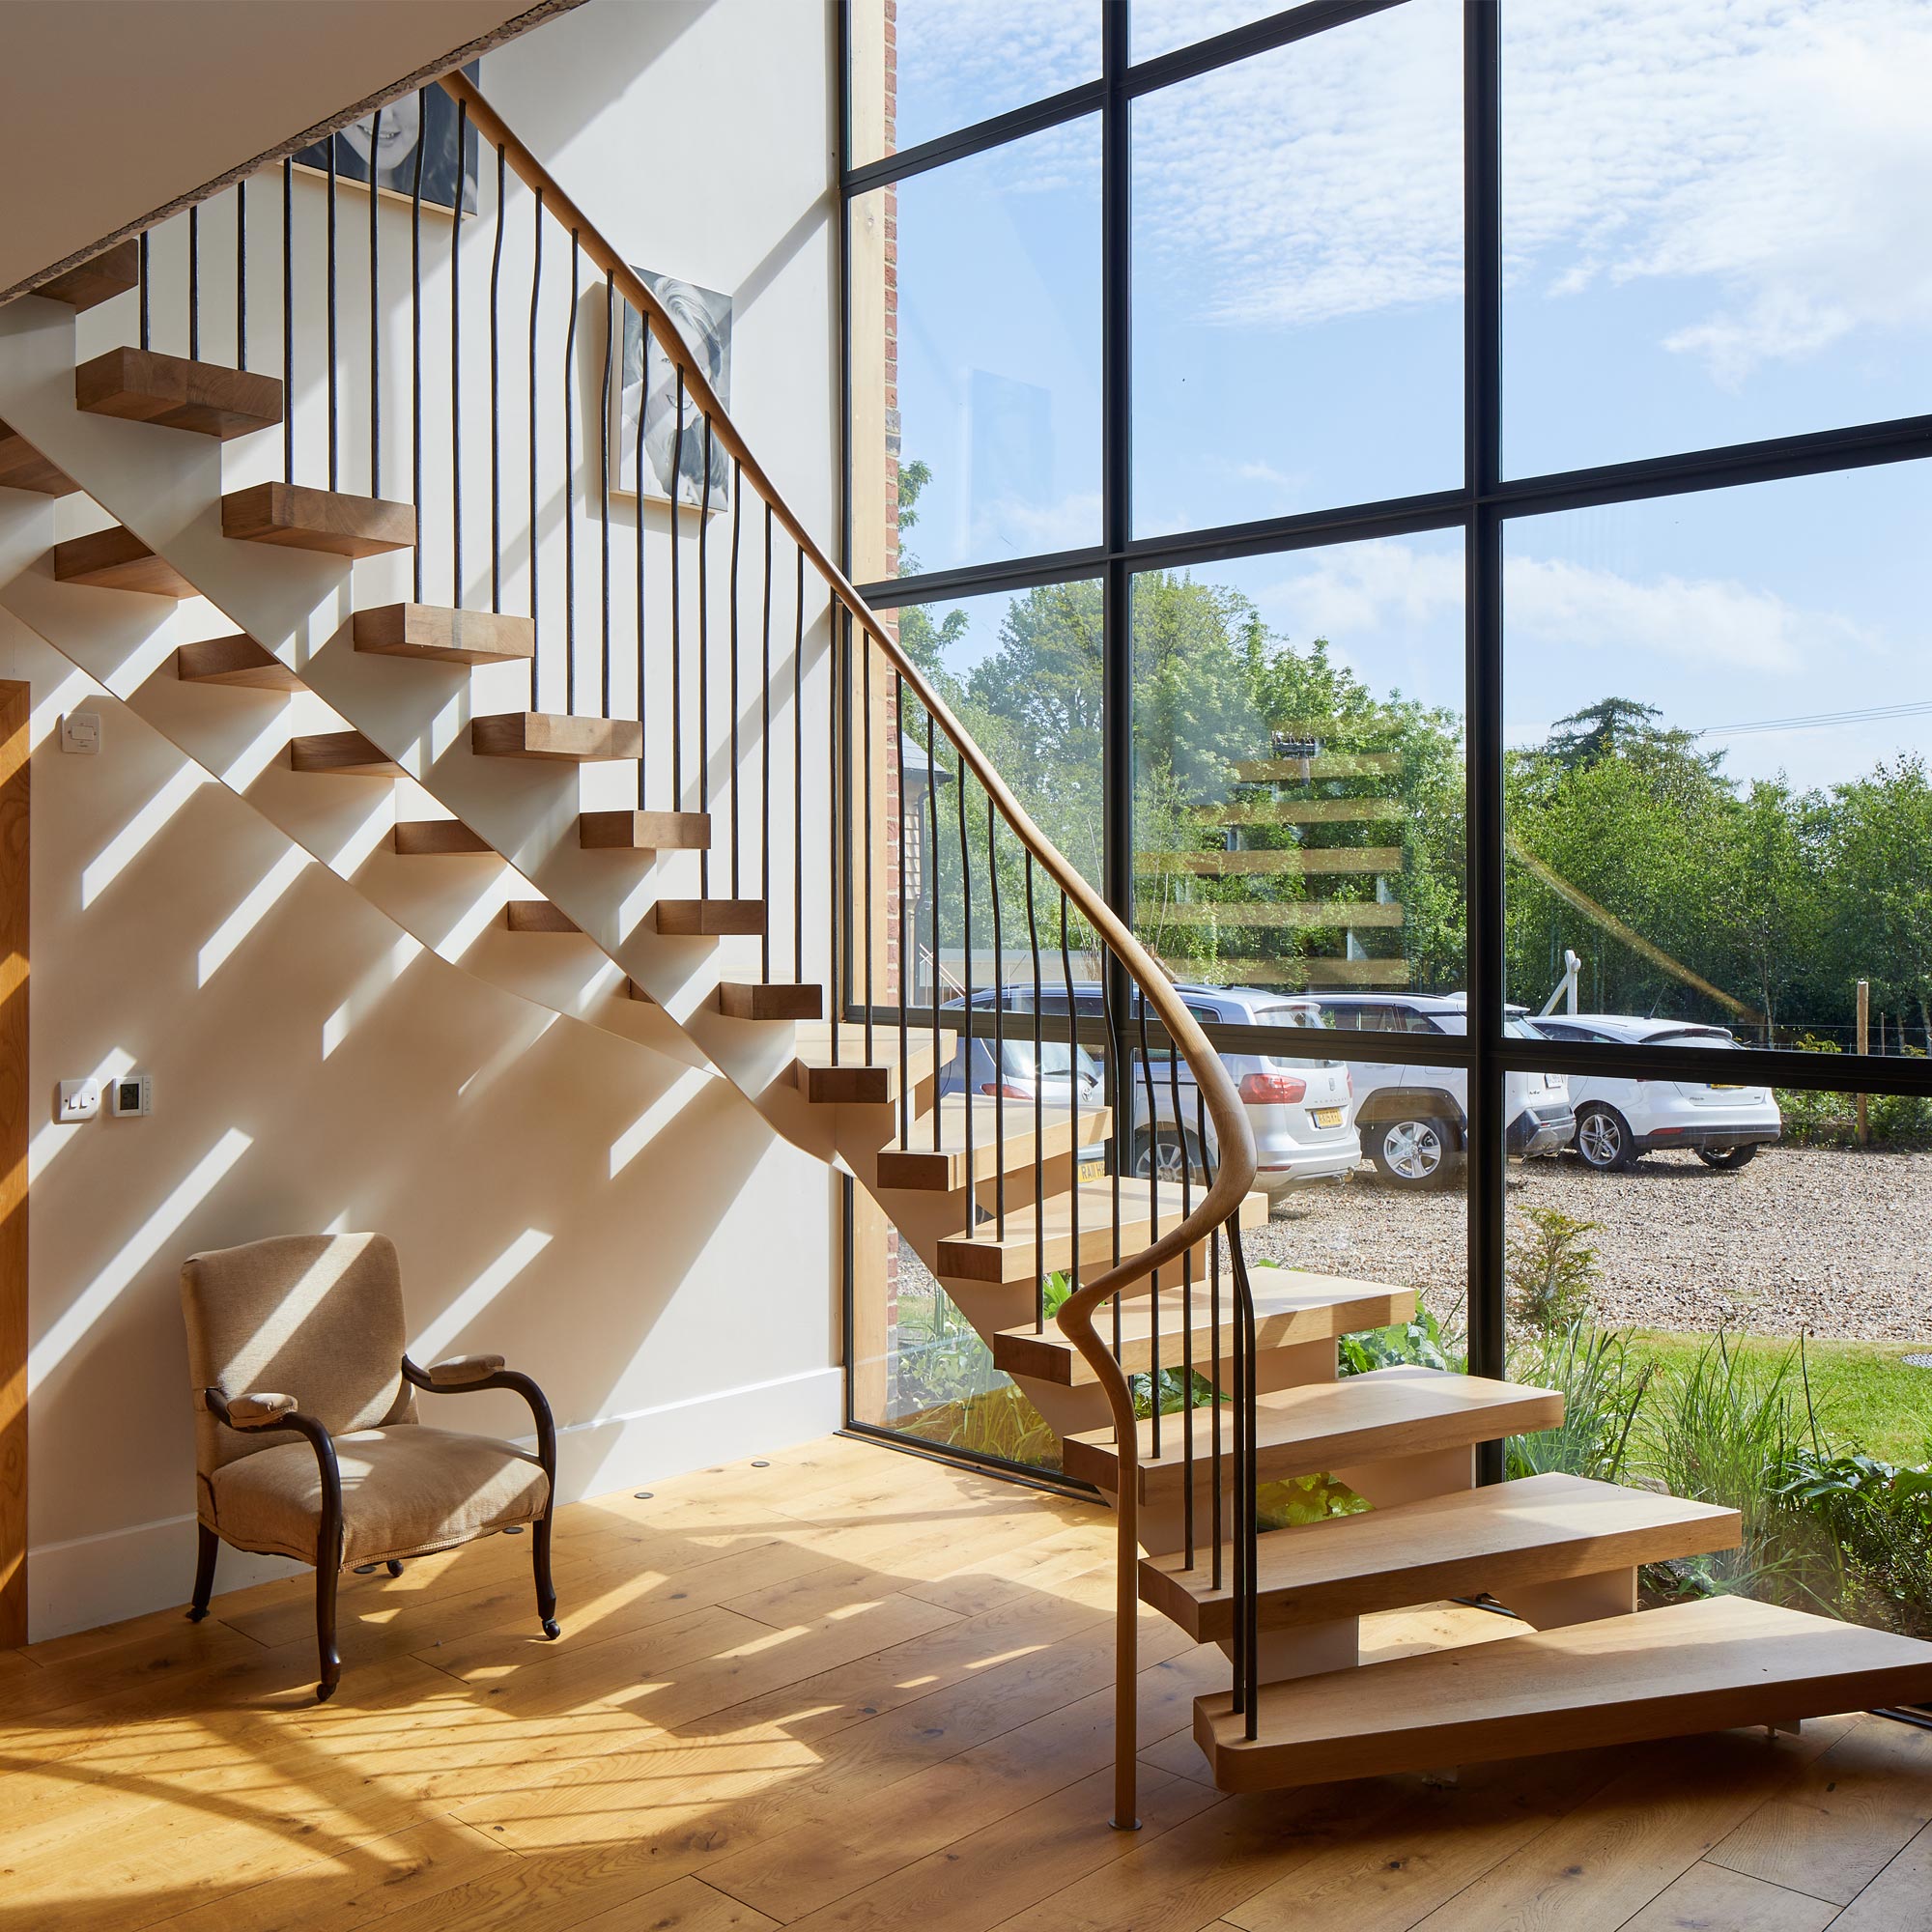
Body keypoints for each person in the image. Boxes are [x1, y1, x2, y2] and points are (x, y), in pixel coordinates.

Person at [622, 275, 732, 511]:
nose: (683, 383)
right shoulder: (622, 431)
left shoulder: (699, 433)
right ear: (644, 357)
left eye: (698, 366)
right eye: (667, 360)